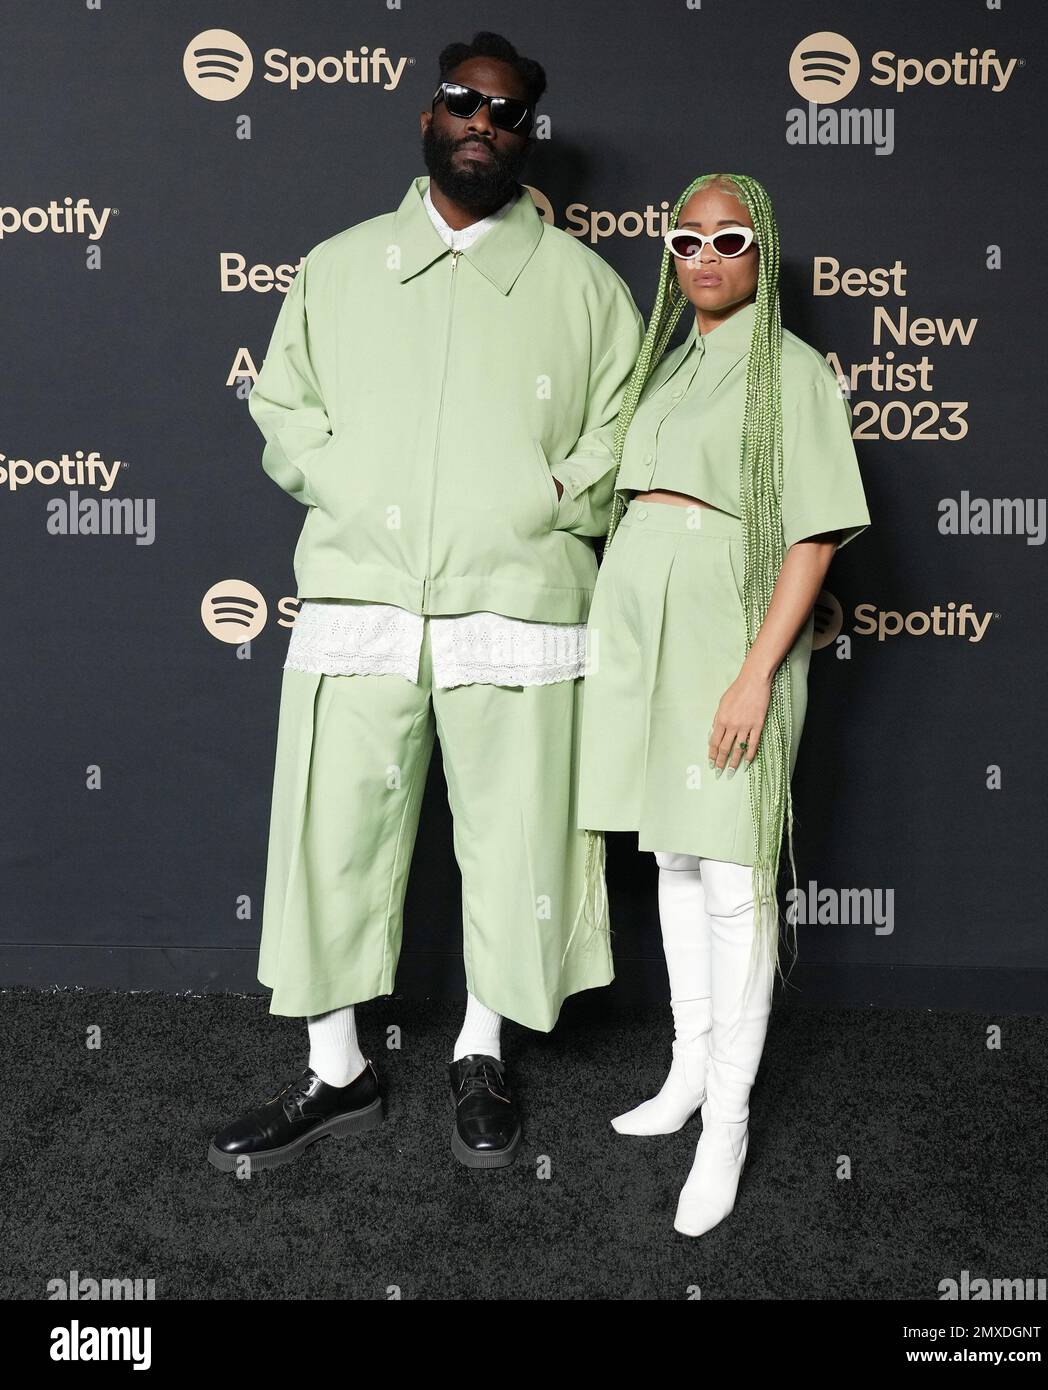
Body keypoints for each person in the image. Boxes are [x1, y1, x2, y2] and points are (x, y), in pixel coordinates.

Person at [208, 31, 644, 1174]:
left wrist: (543, 499)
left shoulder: (584, 286)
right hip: (363, 595)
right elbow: (285, 409)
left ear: (522, 136)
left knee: (514, 838)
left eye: (506, 116)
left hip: (516, 599)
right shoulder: (339, 266)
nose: (483, 127)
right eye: (465, 104)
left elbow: (617, 431)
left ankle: (482, 1047)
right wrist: (356, 490)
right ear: (426, 116)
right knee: (332, 832)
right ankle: (335, 1070)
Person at [577, 172, 871, 1235]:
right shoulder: (669, 362)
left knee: (736, 877)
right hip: (644, 639)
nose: (704, 256)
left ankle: (727, 1125)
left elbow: (810, 532)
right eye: (685, 240)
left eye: (729, 238)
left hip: (724, 639)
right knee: (674, 857)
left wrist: (753, 672)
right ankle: (685, 1073)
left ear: (764, 251)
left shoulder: (786, 371)